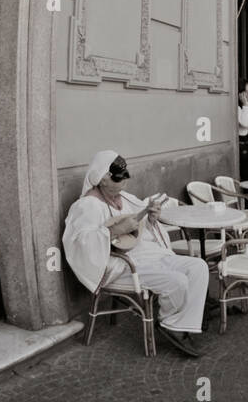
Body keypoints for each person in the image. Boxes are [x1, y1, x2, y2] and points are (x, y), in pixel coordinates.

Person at [63, 150, 210, 358]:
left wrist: (151, 217)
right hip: (122, 266)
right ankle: (169, 322)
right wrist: (113, 231)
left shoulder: (124, 197)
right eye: (118, 179)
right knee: (177, 281)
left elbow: (142, 223)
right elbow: (80, 243)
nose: (124, 182)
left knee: (199, 267)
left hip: (148, 255)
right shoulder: (86, 206)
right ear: (102, 179)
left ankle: (180, 323)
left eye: (125, 176)